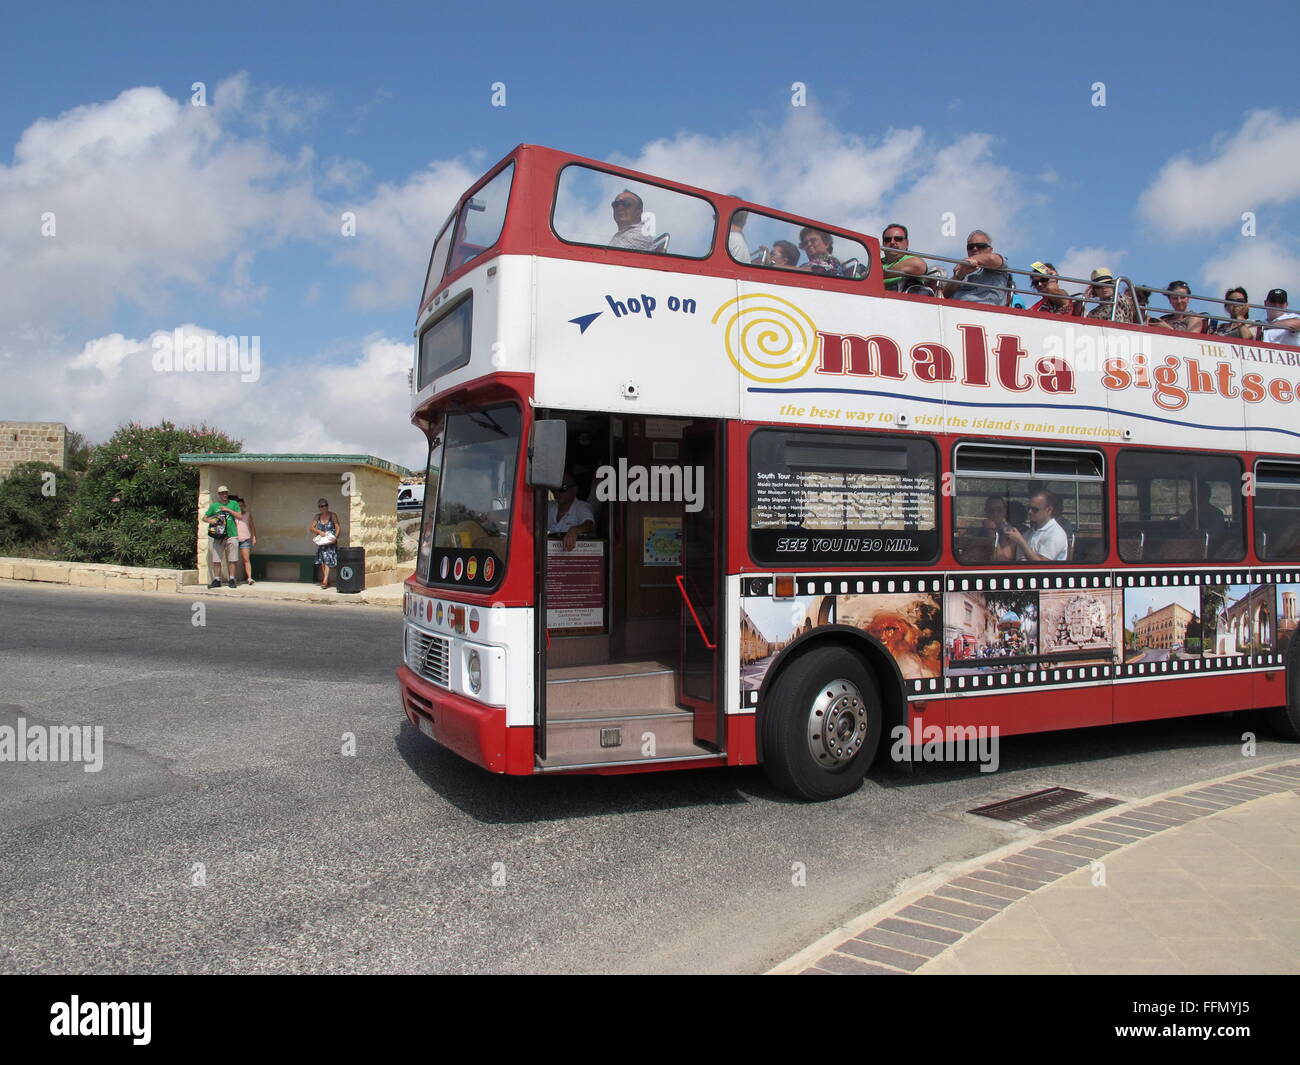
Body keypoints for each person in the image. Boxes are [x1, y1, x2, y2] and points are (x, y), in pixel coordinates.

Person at [943, 230, 1012, 305]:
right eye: (970, 247)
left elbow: (993, 259)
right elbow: (945, 294)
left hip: (984, 312)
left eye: (980, 246)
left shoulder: (998, 265)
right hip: (954, 310)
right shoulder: (963, 269)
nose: (975, 249)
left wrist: (967, 261)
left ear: (990, 250)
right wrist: (959, 276)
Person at [1000, 490, 1069, 563]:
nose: (1030, 512)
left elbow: (1042, 566)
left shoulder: (1055, 533)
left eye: (1035, 509)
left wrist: (1020, 541)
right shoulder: (1029, 533)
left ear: (1049, 510)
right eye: (1028, 508)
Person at [202, 485, 242, 589]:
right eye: (222, 493)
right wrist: (210, 520)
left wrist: (228, 510)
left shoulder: (233, 504)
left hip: (231, 534)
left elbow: (240, 516)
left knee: (232, 559)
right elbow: (204, 517)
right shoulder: (214, 506)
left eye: (226, 493)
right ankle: (217, 579)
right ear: (219, 494)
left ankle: (232, 579)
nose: (224, 494)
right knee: (216, 559)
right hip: (218, 536)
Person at [547, 471, 595, 552]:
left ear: (575, 489)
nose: (557, 492)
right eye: (554, 488)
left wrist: (575, 530)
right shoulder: (548, 506)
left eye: (563, 488)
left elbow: (589, 524)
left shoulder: (582, 507)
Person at [880, 223, 926, 292]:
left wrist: (878, 274)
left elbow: (918, 265)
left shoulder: (911, 258)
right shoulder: (875, 262)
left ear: (907, 243)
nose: (892, 242)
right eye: (887, 239)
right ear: (883, 244)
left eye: (898, 239)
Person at [309, 497, 343, 589]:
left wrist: (336, 537)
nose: (324, 507)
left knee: (327, 559)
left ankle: (325, 580)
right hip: (322, 543)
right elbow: (311, 527)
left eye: (326, 505)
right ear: (319, 507)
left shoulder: (333, 515)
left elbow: (338, 527)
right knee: (322, 561)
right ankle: (326, 579)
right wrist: (319, 532)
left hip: (330, 541)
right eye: (322, 506)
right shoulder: (317, 517)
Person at [229, 494, 258, 585]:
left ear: (244, 505)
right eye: (238, 506)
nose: (240, 507)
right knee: (233, 559)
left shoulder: (248, 514)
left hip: (245, 538)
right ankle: (233, 578)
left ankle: (249, 578)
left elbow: (252, 526)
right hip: (234, 538)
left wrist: (254, 537)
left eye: (242, 505)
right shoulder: (233, 515)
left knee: (246, 559)